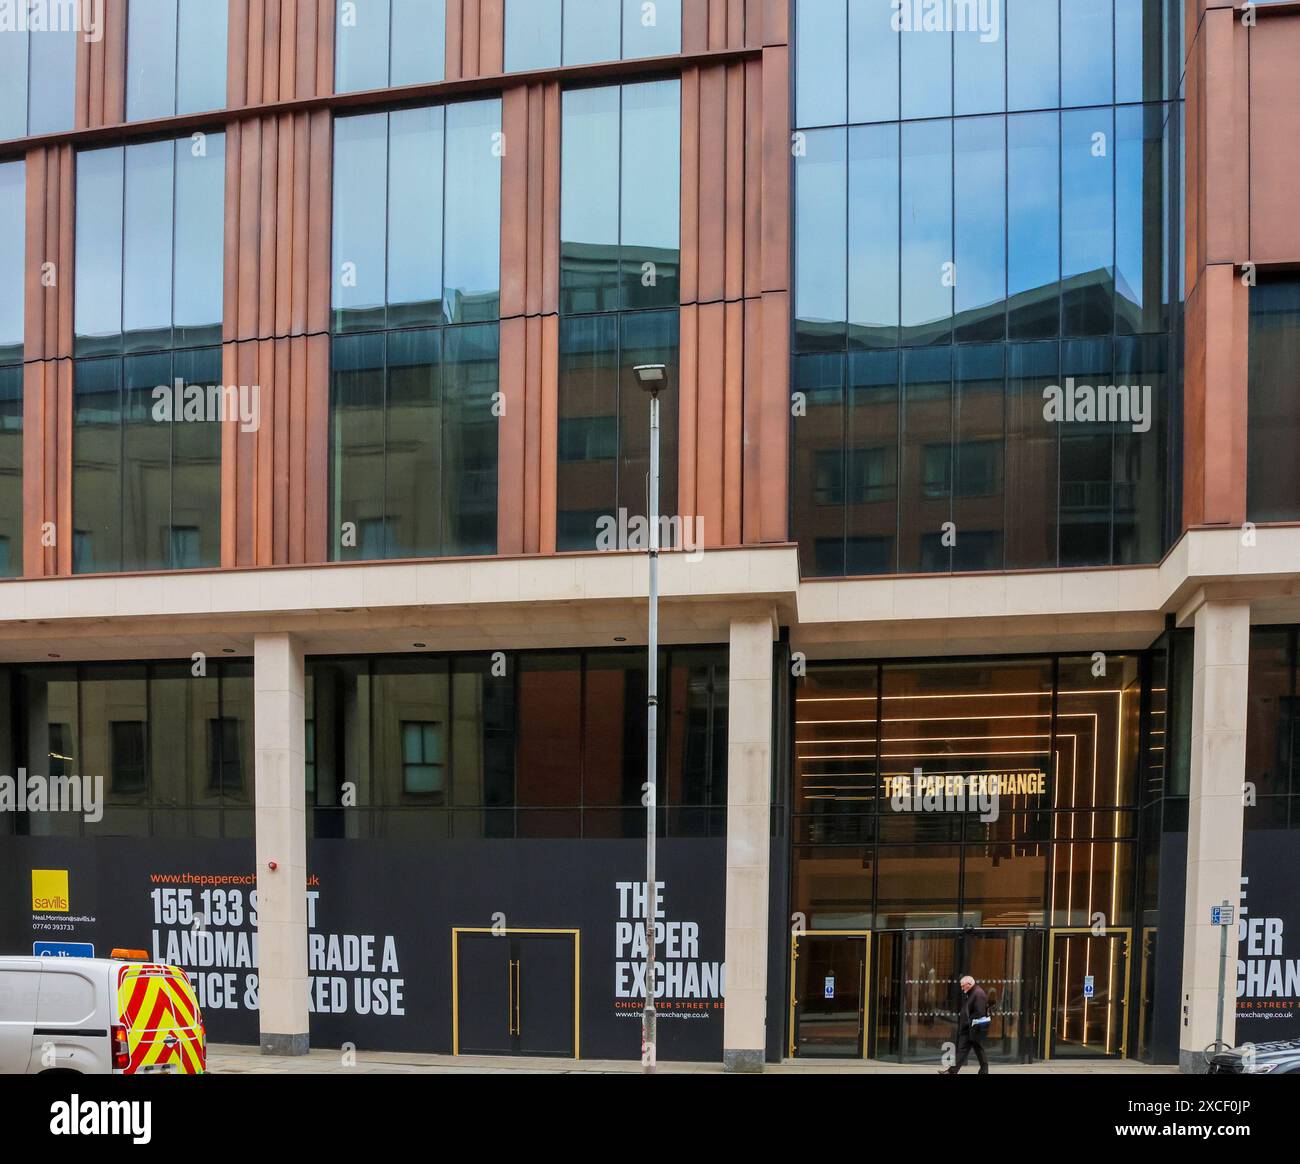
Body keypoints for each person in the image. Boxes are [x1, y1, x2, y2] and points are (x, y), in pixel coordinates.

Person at [939, 974, 989, 1074]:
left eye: (963, 986)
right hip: (969, 1027)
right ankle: (953, 1071)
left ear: (969, 984)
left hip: (973, 1028)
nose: (962, 988)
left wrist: (969, 1023)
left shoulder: (978, 994)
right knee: (967, 1049)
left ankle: (983, 1070)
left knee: (976, 1049)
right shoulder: (972, 992)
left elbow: (979, 1013)